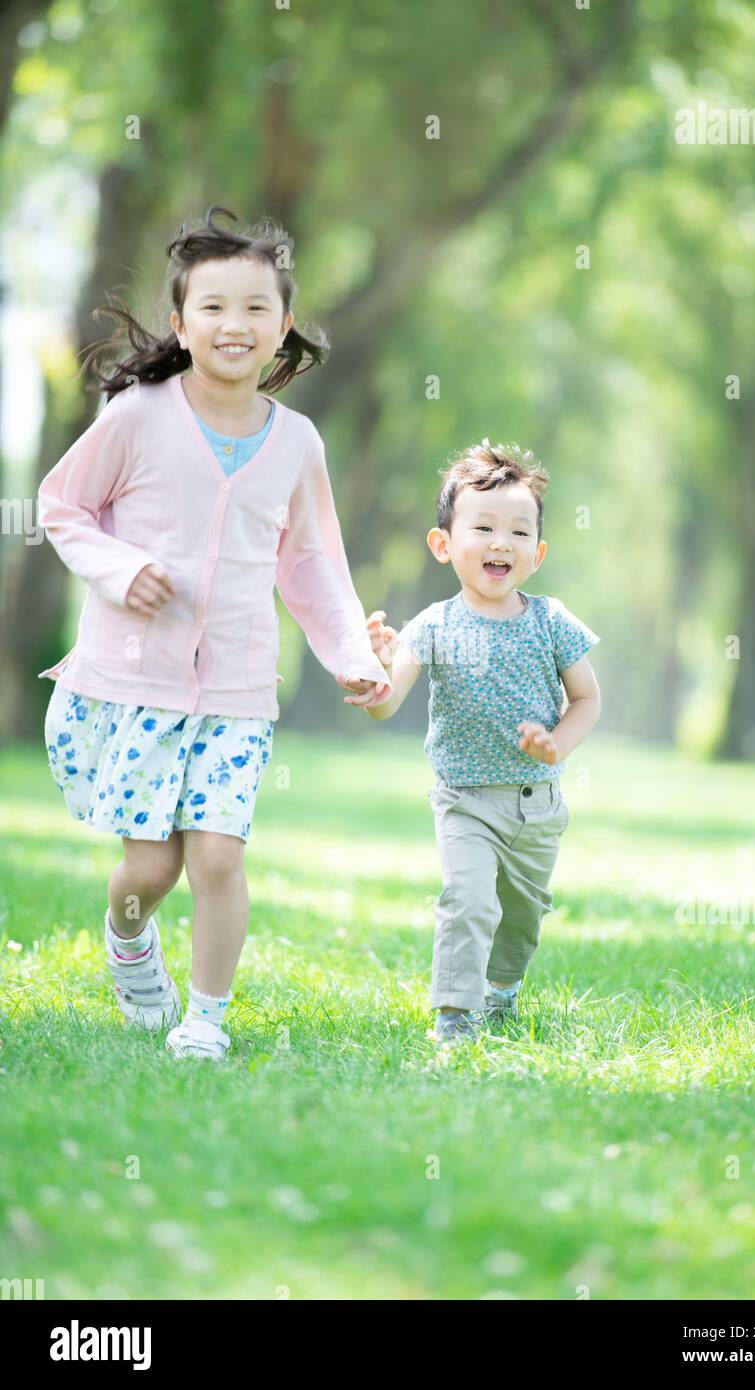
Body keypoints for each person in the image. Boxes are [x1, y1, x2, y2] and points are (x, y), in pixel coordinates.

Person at [37, 206, 391, 1061]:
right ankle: (128, 942)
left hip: (236, 693)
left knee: (219, 861)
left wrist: (353, 658)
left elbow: (311, 565)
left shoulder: (296, 443)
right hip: (137, 682)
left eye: (256, 309)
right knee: (151, 872)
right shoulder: (137, 415)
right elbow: (62, 506)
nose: (236, 324)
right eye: (214, 308)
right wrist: (121, 571)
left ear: (284, 327)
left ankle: (204, 1020)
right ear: (181, 324)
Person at [353, 440, 600, 1042]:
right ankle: (455, 1016)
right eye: (483, 527)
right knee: (468, 900)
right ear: (444, 545)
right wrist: (377, 672)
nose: (500, 542)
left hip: (536, 804)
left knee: (519, 919)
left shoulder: (552, 622)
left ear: (536, 554)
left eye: (518, 533)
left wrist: (556, 746)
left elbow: (588, 700)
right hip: (464, 799)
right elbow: (389, 703)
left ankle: (502, 991)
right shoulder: (433, 625)